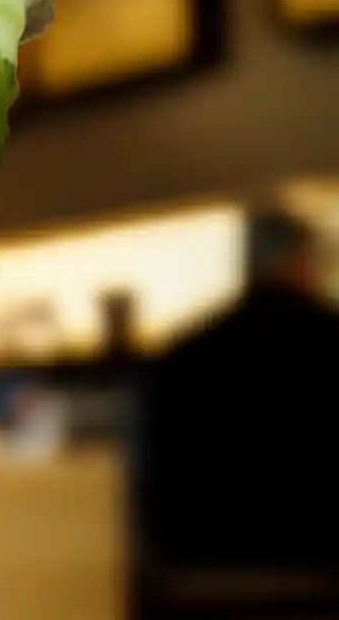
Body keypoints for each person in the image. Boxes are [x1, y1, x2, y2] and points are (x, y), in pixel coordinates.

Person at [136, 209, 339, 612]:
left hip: (198, 580)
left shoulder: (182, 355)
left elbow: (152, 480)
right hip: (315, 578)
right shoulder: (329, 344)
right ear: (302, 260)